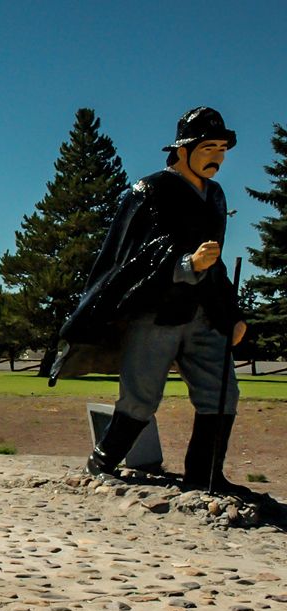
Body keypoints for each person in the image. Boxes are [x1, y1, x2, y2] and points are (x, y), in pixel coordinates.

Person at [52, 106, 246, 493]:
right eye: (209, 147)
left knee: (222, 393)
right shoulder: (149, 191)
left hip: (205, 313)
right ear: (182, 150)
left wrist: (232, 312)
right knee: (141, 396)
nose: (218, 158)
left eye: (222, 149)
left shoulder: (216, 196)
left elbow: (216, 260)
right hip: (156, 311)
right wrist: (184, 265)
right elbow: (131, 256)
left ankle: (204, 475)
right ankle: (103, 461)